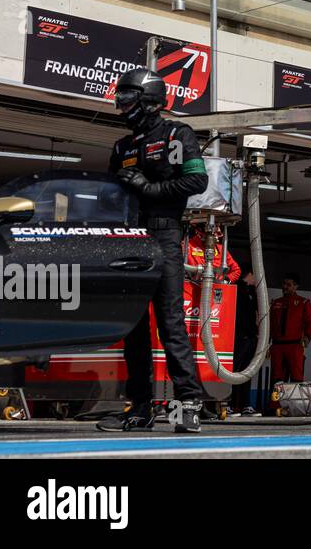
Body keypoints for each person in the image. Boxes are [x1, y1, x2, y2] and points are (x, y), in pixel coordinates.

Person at [98, 68, 208, 433]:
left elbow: (196, 180)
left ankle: (188, 405)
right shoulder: (122, 146)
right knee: (133, 326)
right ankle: (140, 407)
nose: (121, 106)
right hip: (129, 240)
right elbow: (110, 197)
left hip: (163, 236)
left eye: (127, 99)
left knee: (170, 323)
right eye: (120, 99)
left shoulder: (178, 134)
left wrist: (148, 187)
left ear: (148, 101)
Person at [269, 274, 311, 387]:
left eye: (288, 284)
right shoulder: (275, 303)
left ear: (296, 286)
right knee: (276, 379)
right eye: (284, 284)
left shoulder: (303, 302)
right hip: (277, 346)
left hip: (295, 346)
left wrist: (307, 337)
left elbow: (310, 322)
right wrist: (265, 344)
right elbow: (270, 324)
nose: (285, 287)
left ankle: (295, 405)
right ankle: (275, 404)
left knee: (296, 378)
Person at [230, 270, 260, 415]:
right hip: (239, 336)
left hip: (250, 336)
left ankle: (245, 404)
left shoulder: (252, 292)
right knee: (234, 371)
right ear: (249, 274)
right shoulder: (237, 289)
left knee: (248, 372)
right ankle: (230, 404)